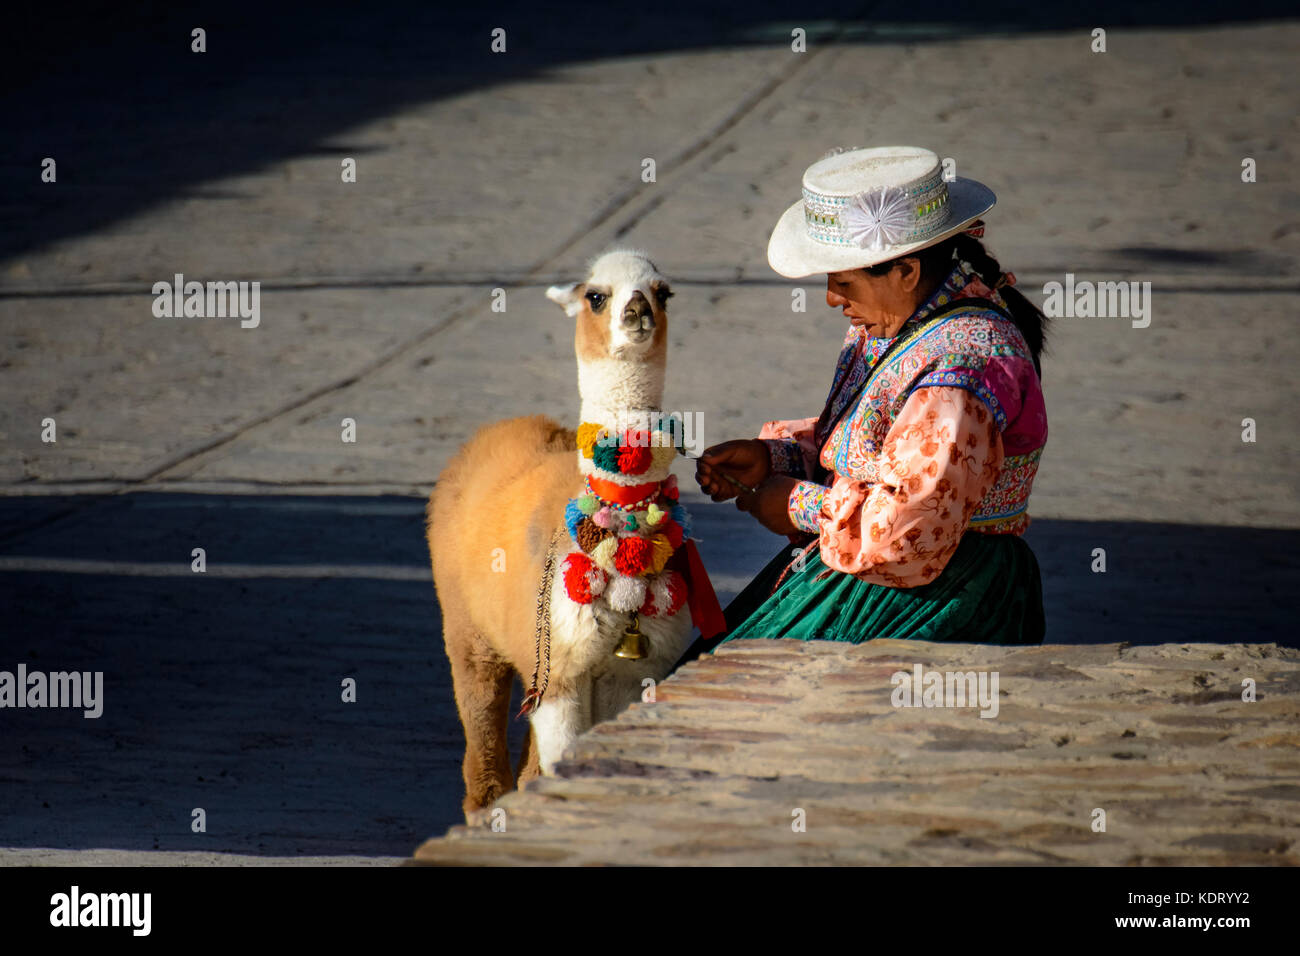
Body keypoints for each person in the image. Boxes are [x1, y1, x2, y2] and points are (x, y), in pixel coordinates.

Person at [684, 145, 1048, 658]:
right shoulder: (894, 321)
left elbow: (908, 527)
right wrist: (777, 458)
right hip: (885, 574)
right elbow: (883, 446)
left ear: (905, 272)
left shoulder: (964, 371)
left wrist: (798, 504)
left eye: (844, 280)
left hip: (938, 591)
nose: (833, 297)